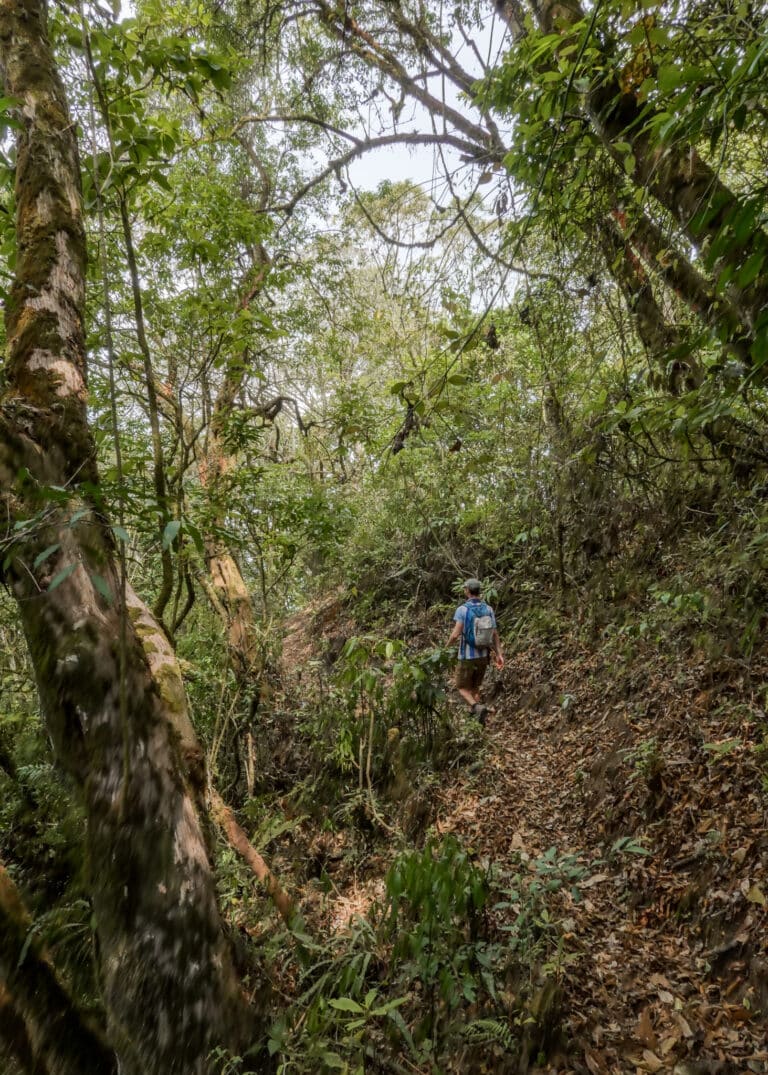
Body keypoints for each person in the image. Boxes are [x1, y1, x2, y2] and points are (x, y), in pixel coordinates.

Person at [446, 578, 504, 723]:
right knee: (475, 687)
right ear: (479, 591)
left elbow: (455, 634)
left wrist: (445, 649)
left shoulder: (462, 610)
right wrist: (499, 654)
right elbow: (495, 634)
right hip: (484, 655)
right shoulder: (488, 609)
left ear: (467, 591)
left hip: (467, 656)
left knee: (461, 687)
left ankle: (476, 707)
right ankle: (479, 722)